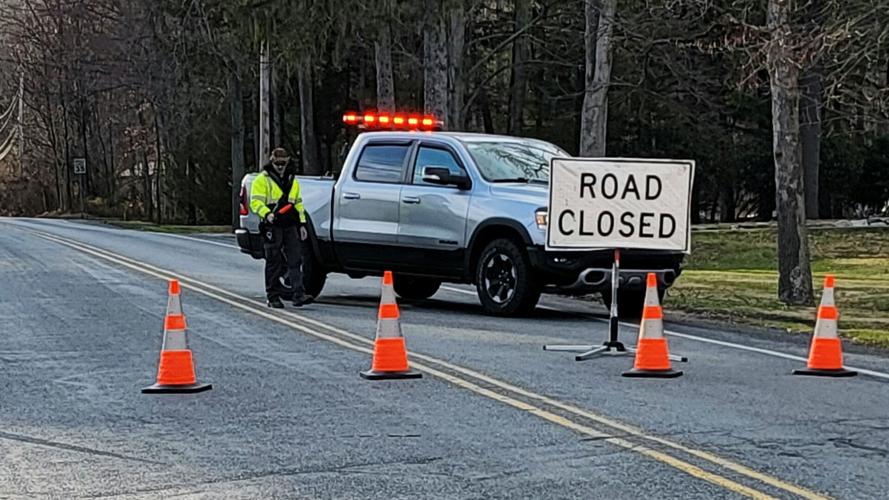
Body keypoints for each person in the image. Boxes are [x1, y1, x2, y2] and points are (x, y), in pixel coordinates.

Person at [250, 148, 314, 308]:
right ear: (272, 162)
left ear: (287, 162)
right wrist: (267, 214)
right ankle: (272, 296)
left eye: (283, 163)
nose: (280, 166)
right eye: (277, 163)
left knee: (295, 260)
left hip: (290, 224)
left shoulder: (292, 180)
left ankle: (298, 294)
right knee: (274, 260)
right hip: (273, 225)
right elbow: (255, 202)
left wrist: (302, 224)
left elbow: (298, 203)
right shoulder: (262, 179)